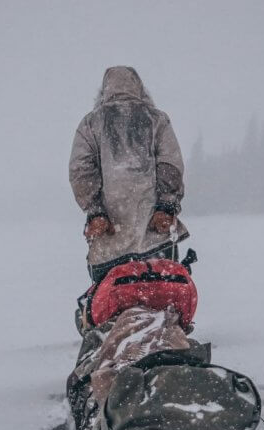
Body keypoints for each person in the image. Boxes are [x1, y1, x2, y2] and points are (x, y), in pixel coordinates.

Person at [69, 66, 190, 283]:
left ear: (104, 91)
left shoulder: (90, 123)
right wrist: (165, 207)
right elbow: (170, 166)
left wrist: (97, 212)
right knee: (164, 298)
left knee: (111, 301)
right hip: (155, 238)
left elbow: (81, 172)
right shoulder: (157, 120)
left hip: (110, 243)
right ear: (140, 89)